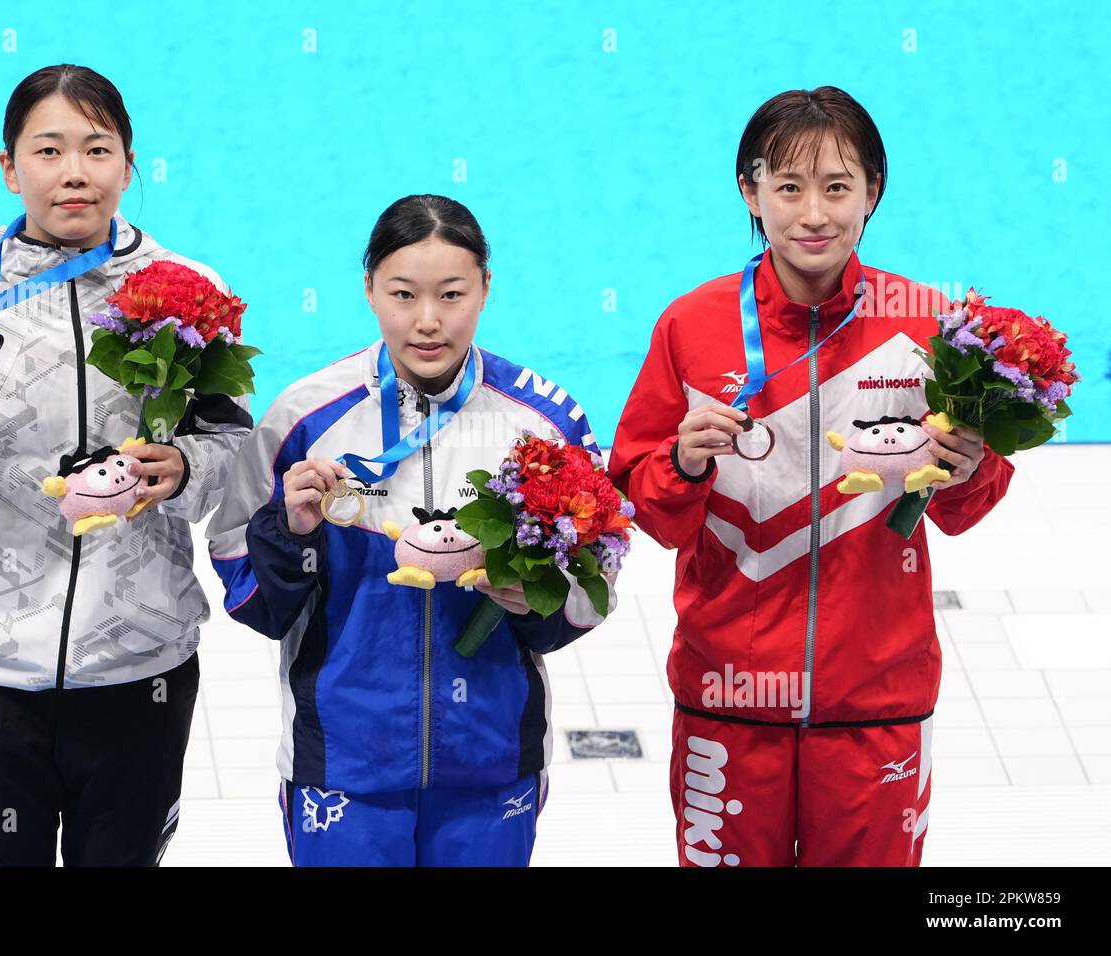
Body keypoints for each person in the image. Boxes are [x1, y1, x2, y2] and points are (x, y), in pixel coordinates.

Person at [606, 86, 1014, 866]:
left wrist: (969, 468)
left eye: (837, 187)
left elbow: (968, 508)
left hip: (876, 702)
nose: (814, 213)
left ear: (873, 192)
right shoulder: (692, 325)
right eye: (789, 187)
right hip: (727, 699)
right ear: (750, 193)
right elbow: (646, 509)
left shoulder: (924, 323)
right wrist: (684, 462)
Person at [0, 64, 251, 866]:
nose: (74, 171)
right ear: (10, 167)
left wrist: (181, 471)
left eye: (97, 148)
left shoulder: (189, 294)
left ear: (128, 164)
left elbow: (231, 460)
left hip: (139, 665)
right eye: (48, 150)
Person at [208, 194, 616, 866]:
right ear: (369, 288)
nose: (428, 322)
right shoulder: (306, 419)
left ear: (486, 287)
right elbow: (248, 592)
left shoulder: (541, 423)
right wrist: (294, 532)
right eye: (403, 294)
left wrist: (534, 599)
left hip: (491, 761)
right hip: (344, 763)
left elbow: (595, 583)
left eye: (452, 294)